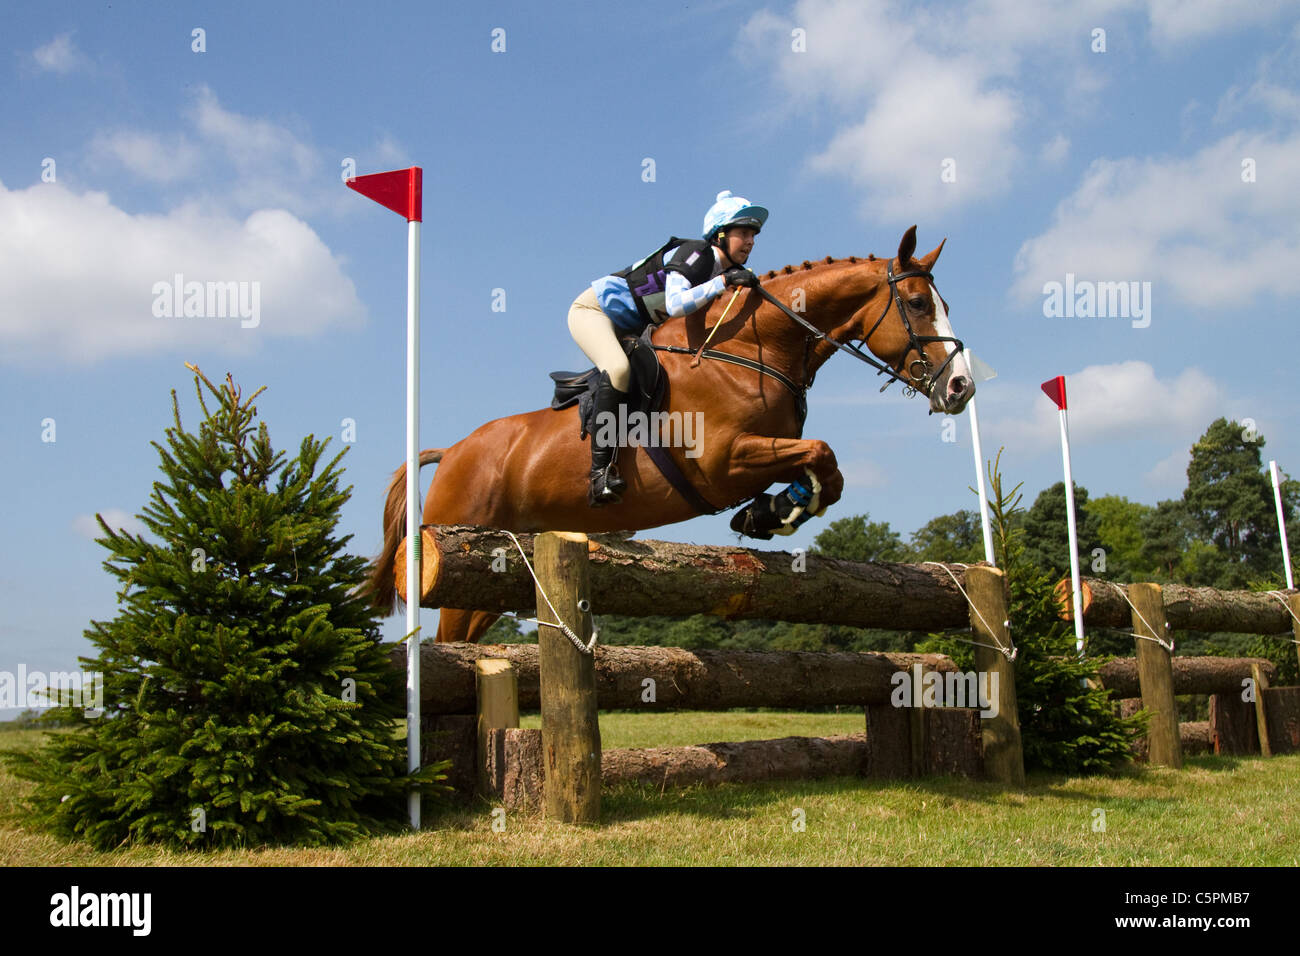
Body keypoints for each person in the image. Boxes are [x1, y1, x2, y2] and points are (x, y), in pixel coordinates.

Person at [568, 190, 769, 506]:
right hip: (594, 312)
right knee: (618, 370)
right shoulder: (696, 253)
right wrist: (725, 282)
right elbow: (676, 304)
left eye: (753, 235)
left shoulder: (719, 272)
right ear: (720, 234)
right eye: (743, 233)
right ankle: (600, 474)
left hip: (632, 328)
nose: (751, 241)